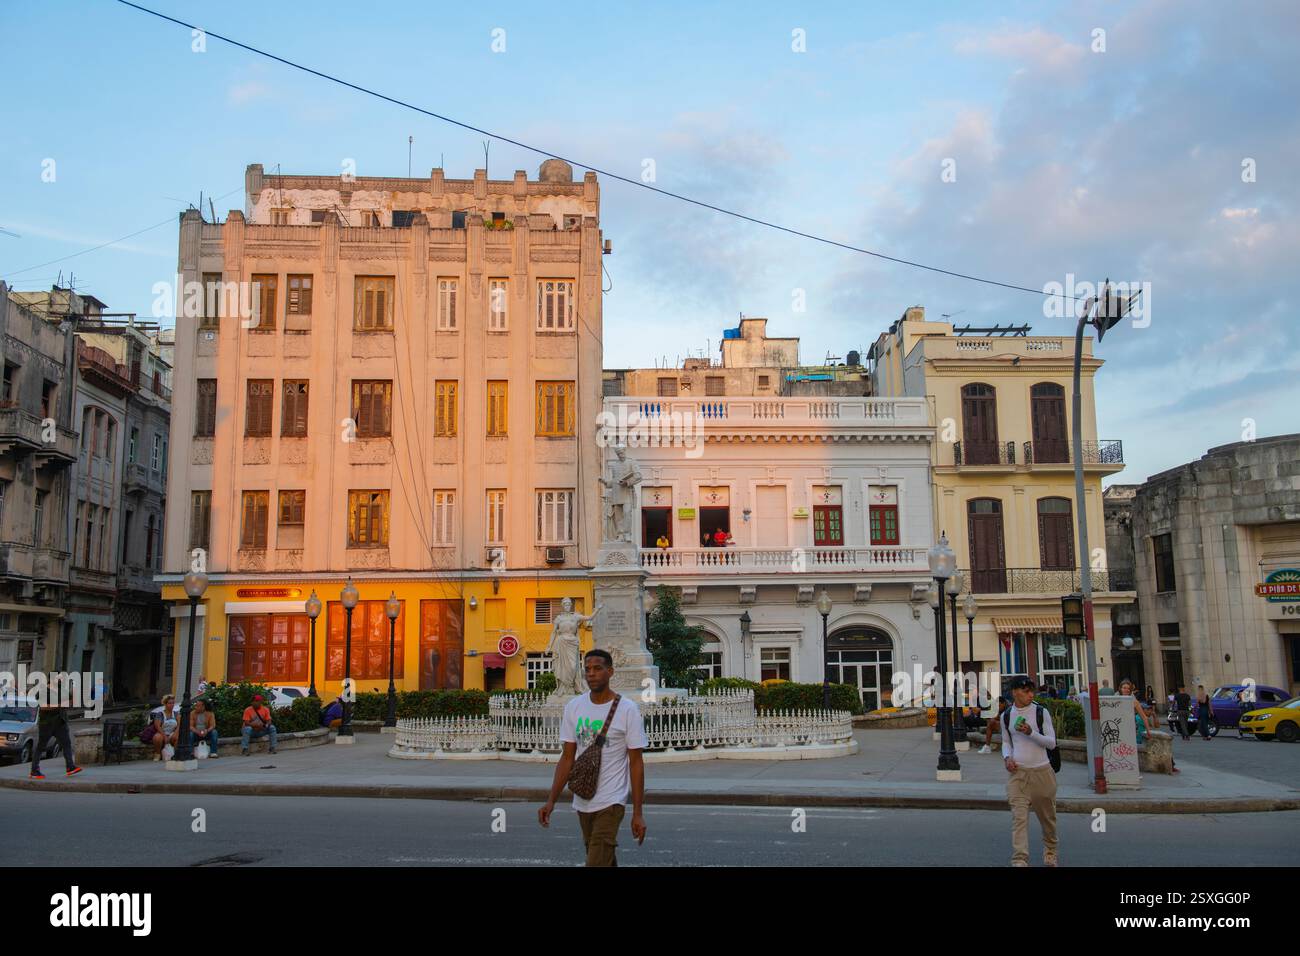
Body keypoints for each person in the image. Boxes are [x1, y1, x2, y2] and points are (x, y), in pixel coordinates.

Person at [538, 649, 647, 867]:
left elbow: (636, 763)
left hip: (611, 801)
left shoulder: (627, 710)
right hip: (583, 798)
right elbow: (567, 758)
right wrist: (551, 800)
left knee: (596, 860)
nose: (591, 674)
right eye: (587, 669)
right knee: (602, 856)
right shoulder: (574, 707)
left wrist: (637, 813)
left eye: (597, 668)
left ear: (610, 671)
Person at [1001, 675, 1058, 867]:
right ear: (1014, 692)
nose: (1030, 695)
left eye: (1031, 691)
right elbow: (1006, 742)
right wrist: (1007, 757)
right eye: (1026, 691)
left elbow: (1051, 743)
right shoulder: (1006, 715)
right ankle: (1020, 859)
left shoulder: (1041, 712)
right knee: (1019, 818)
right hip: (1018, 774)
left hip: (1042, 772)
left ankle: (1050, 851)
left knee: (1048, 819)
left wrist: (1030, 732)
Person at [28, 703, 82, 780]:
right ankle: (34, 770)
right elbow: (43, 707)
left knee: (66, 744)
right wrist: (61, 705)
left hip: (60, 723)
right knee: (41, 747)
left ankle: (70, 766)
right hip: (47, 724)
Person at [151, 694, 181, 760]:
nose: (172, 705)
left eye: (173, 703)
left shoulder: (176, 714)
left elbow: (179, 724)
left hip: (172, 733)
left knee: (178, 737)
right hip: (162, 732)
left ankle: (175, 754)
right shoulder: (160, 714)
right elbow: (157, 726)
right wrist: (164, 736)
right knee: (157, 738)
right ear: (165, 704)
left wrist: (175, 733)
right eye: (169, 703)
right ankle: (158, 753)